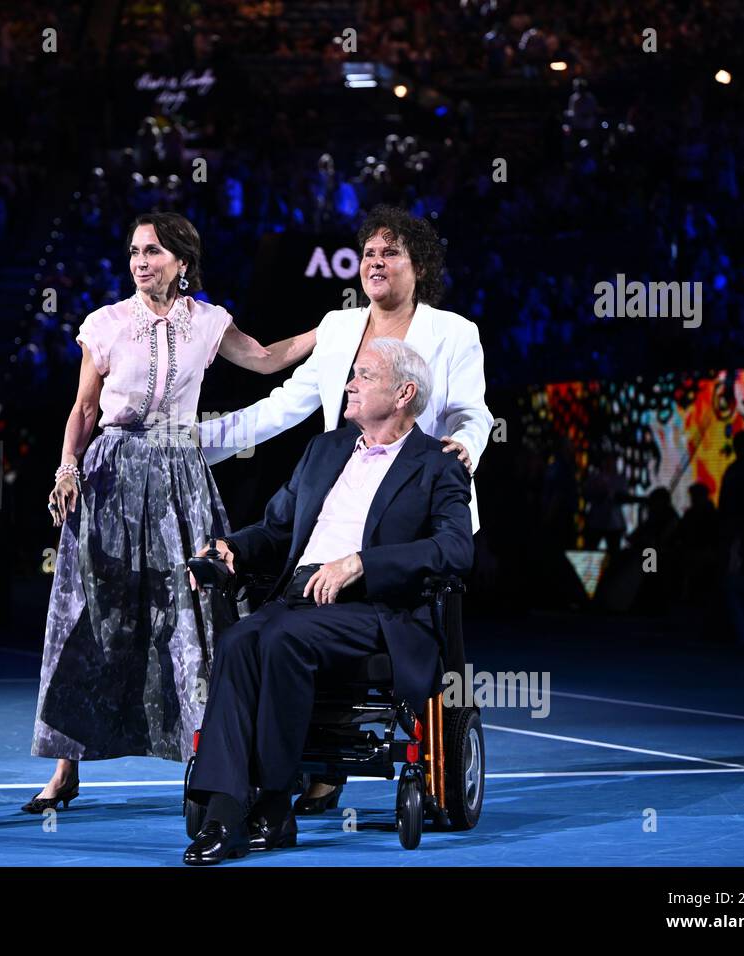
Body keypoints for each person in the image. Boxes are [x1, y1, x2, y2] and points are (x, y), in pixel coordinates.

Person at [197, 203, 492, 812]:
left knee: (290, 633)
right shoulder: (338, 329)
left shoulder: (453, 332)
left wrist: (462, 447)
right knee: (264, 628)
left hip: (414, 506)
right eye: (368, 254)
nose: (376, 263)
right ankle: (289, 775)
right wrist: (195, 441)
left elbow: (472, 411)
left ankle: (288, 788)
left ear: (419, 266)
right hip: (341, 493)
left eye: (391, 253)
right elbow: (280, 406)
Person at [26, 211, 317, 813]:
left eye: (153, 251)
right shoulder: (105, 324)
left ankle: (204, 759)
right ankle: (65, 767)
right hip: (112, 476)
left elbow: (264, 359)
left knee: (191, 614)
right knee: (92, 613)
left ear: (181, 262)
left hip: (181, 476)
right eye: (134, 251)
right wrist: (66, 467)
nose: (140, 262)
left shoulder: (209, 322)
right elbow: (83, 409)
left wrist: (334, 331)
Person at [183, 339, 473, 864]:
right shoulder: (327, 449)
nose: (349, 385)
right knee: (239, 640)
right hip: (298, 599)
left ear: (404, 392)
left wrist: (362, 562)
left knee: (277, 638)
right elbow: (275, 528)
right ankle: (225, 813)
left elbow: (456, 548)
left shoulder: (438, 464)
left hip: (376, 609)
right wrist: (231, 547)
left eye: (364, 376)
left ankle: (271, 805)